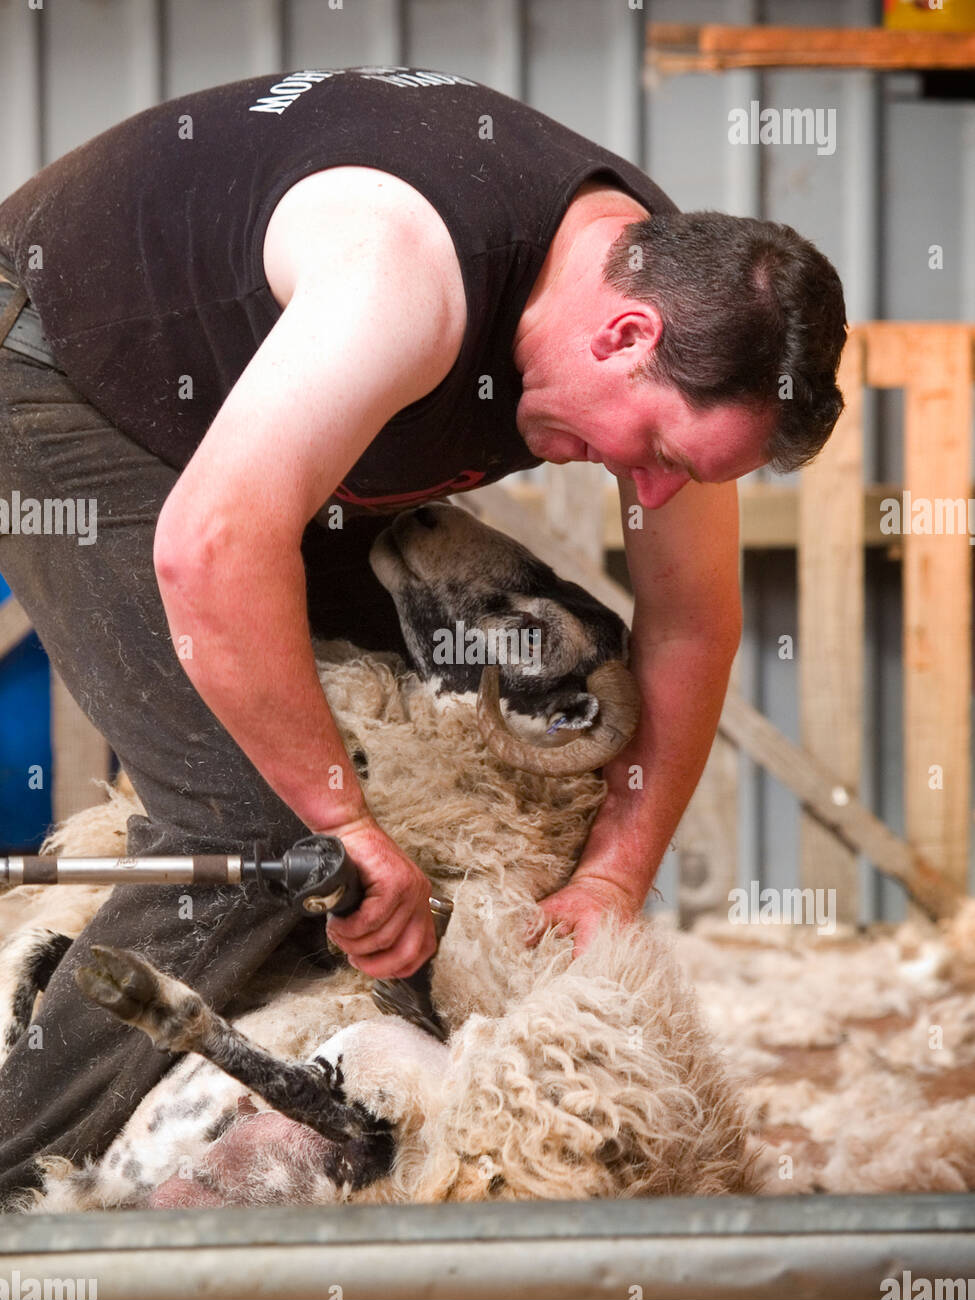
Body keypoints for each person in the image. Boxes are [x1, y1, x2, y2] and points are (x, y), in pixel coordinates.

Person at [0, 65, 846, 1205]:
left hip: (268, 433)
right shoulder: (406, 277)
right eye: (661, 456)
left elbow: (691, 623)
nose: (652, 493)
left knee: (544, 692)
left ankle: (339, 1090)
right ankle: (18, 1170)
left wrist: (612, 875)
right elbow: (210, 545)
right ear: (625, 334)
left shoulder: (686, 309)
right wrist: (341, 818)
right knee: (265, 832)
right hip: (56, 361)